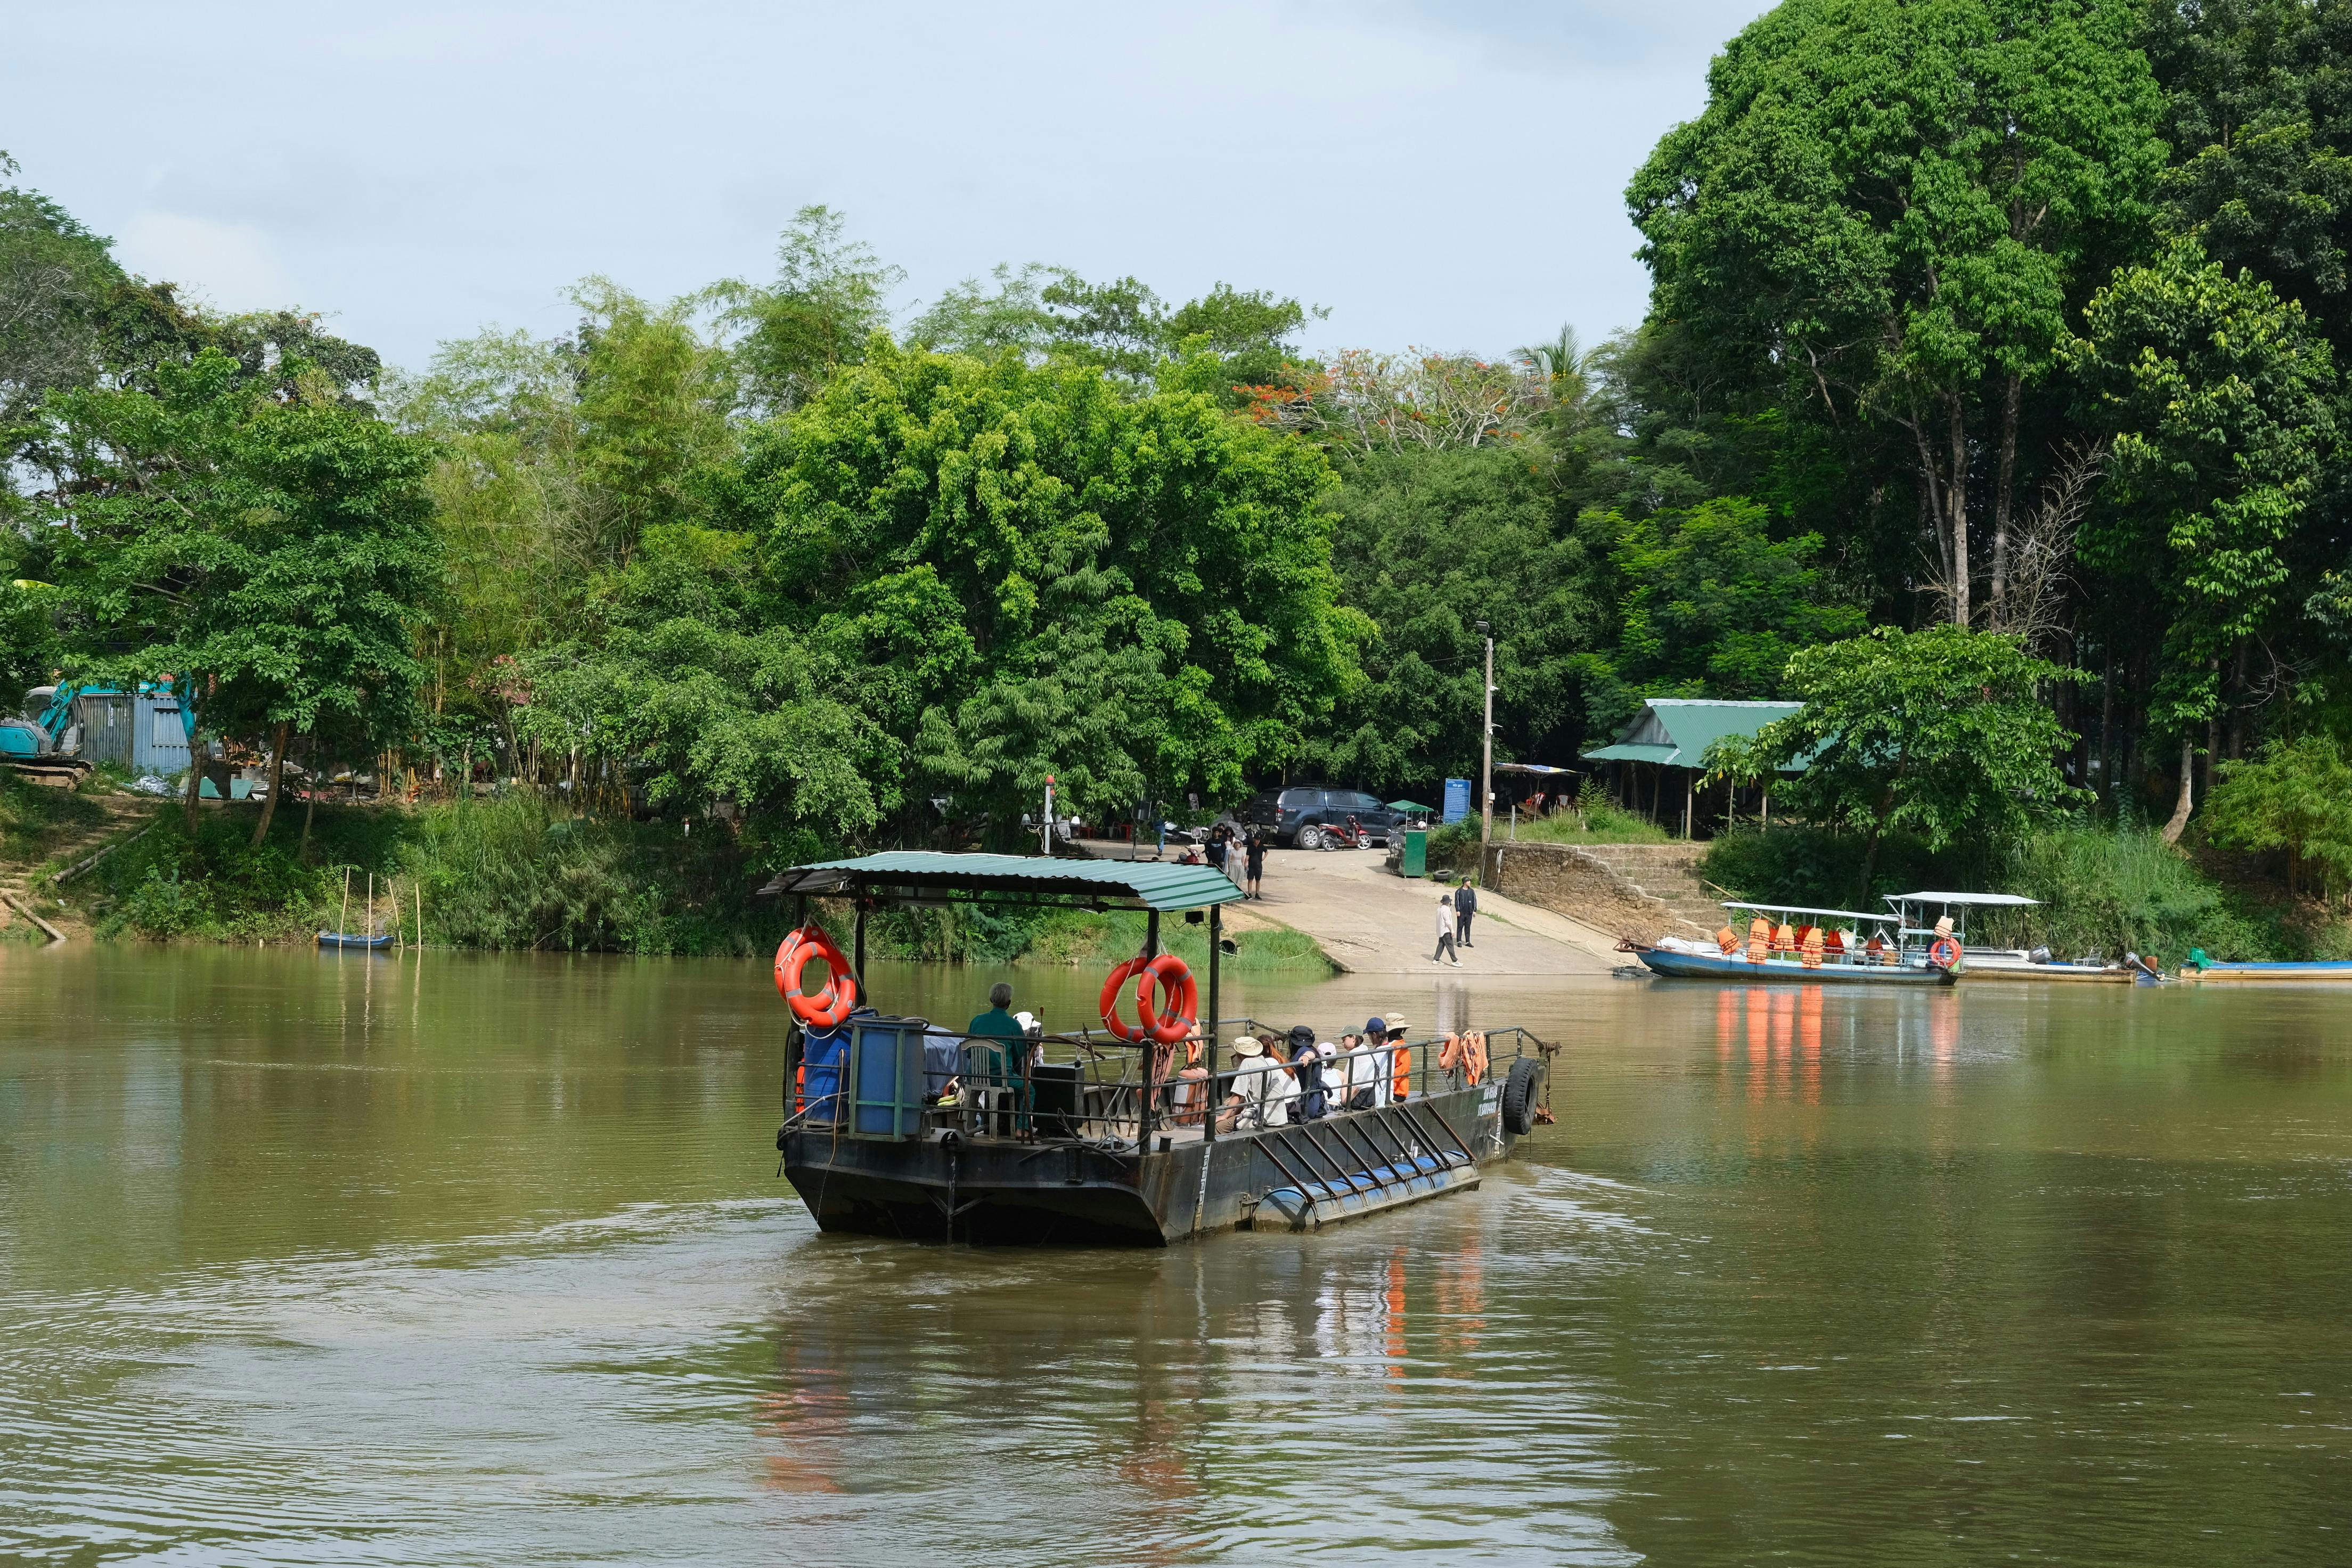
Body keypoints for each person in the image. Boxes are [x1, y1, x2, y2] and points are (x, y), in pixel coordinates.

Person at [965, 981, 1027, 1130]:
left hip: (974, 1077)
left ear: (991, 1000)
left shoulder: (977, 1021)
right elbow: (1021, 1053)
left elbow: (968, 1052)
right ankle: (1021, 1129)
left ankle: (969, 1127)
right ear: (1009, 1003)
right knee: (1028, 1089)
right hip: (1001, 1080)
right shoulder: (1013, 1025)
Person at [1218, 1034, 1295, 1132]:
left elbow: (1238, 1094)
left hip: (1263, 1117)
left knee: (1218, 1126)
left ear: (1238, 1055)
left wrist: (1225, 1116)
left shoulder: (1247, 1063)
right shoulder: (1262, 1060)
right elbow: (1243, 1096)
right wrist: (1233, 1114)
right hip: (1278, 1116)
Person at [1432, 893, 1460, 966]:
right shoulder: (1446, 909)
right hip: (1446, 931)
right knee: (1450, 945)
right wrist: (1452, 930)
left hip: (1441, 930)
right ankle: (1455, 961)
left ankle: (1436, 959)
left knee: (1441, 945)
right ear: (1448, 902)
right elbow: (1448, 921)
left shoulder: (1439, 909)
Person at [1454, 877, 1479, 947]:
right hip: (1461, 913)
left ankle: (1468, 941)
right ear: (1465, 882)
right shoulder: (1459, 891)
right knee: (1460, 926)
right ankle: (1459, 941)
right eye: (1468, 881)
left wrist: (1475, 910)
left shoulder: (1472, 891)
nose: (1470, 883)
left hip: (1469, 912)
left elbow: (1475, 901)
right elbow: (1457, 902)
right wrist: (1458, 910)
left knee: (1468, 927)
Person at [1244, 827, 1267, 900]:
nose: (1258, 841)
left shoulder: (1261, 846)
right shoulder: (1250, 846)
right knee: (1250, 880)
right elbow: (1248, 855)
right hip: (1251, 866)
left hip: (1259, 866)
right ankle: (1250, 893)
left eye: (1259, 840)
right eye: (1257, 840)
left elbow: (1267, 851)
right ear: (1254, 839)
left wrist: (1263, 858)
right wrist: (1246, 863)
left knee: (1258, 880)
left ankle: (1257, 893)